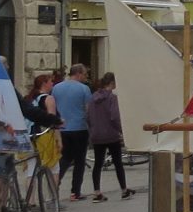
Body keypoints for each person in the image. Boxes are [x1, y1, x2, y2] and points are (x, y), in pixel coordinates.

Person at [87, 72, 131, 201]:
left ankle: (96, 192)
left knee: (98, 164)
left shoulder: (93, 97)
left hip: (97, 135)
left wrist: (93, 129)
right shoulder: (112, 98)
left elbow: (88, 116)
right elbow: (114, 117)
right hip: (111, 134)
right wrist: (121, 131)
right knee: (118, 163)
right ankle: (124, 190)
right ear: (112, 83)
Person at [53, 64, 94, 200]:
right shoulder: (84, 89)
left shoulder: (56, 88)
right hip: (79, 128)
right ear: (79, 74)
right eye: (85, 74)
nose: (85, 77)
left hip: (62, 129)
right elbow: (89, 110)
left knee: (64, 159)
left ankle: (55, 183)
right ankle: (75, 192)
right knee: (79, 161)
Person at [22, 72, 61, 177]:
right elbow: (52, 121)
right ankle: (52, 192)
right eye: (51, 82)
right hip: (44, 135)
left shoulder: (28, 98)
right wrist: (58, 140)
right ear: (44, 84)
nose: (52, 84)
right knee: (54, 167)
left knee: (30, 170)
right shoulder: (49, 99)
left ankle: (30, 193)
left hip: (27, 135)